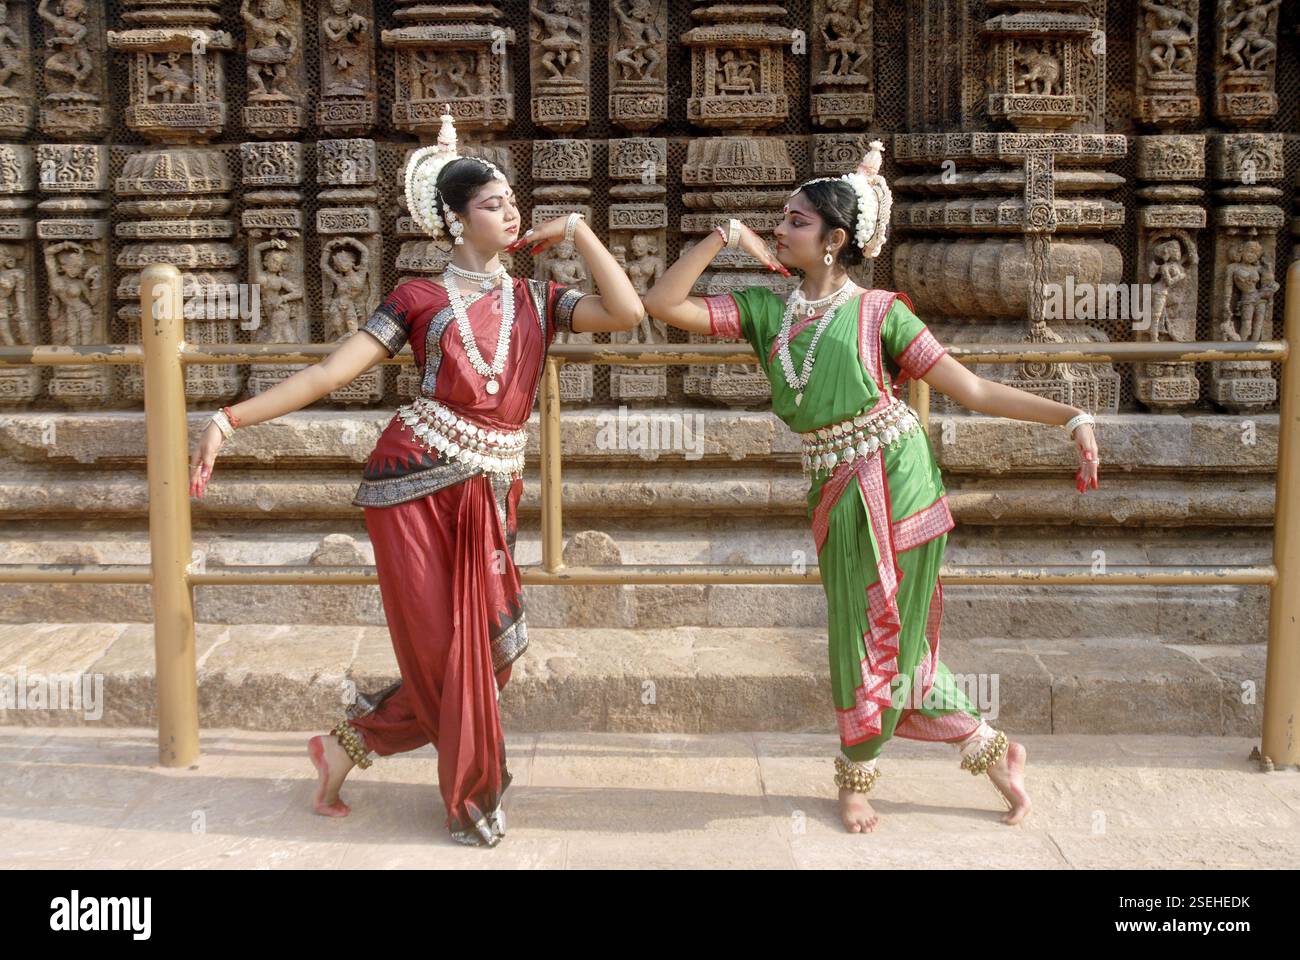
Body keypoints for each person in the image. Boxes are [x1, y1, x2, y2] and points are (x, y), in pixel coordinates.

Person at [188, 106, 644, 847]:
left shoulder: (537, 299)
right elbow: (332, 371)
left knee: (485, 657)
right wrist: (229, 420)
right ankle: (466, 799)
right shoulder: (417, 299)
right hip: (410, 485)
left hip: (490, 488)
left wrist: (580, 234)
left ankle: (342, 747)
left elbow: (625, 312)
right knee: (443, 655)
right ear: (457, 221)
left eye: (512, 202)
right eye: (493, 204)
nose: (512, 213)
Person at [642, 140, 1102, 833]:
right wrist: (720, 235)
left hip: (898, 477)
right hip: (833, 485)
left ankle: (857, 775)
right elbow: (663, 303)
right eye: (780, 218)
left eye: (796, 221)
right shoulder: (769, 311)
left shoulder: (882, 312)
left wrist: (1071, 416)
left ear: (834, 241)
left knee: (874, 631)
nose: (779, 229)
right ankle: (990, 747)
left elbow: (969, 388)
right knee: (880, 635)